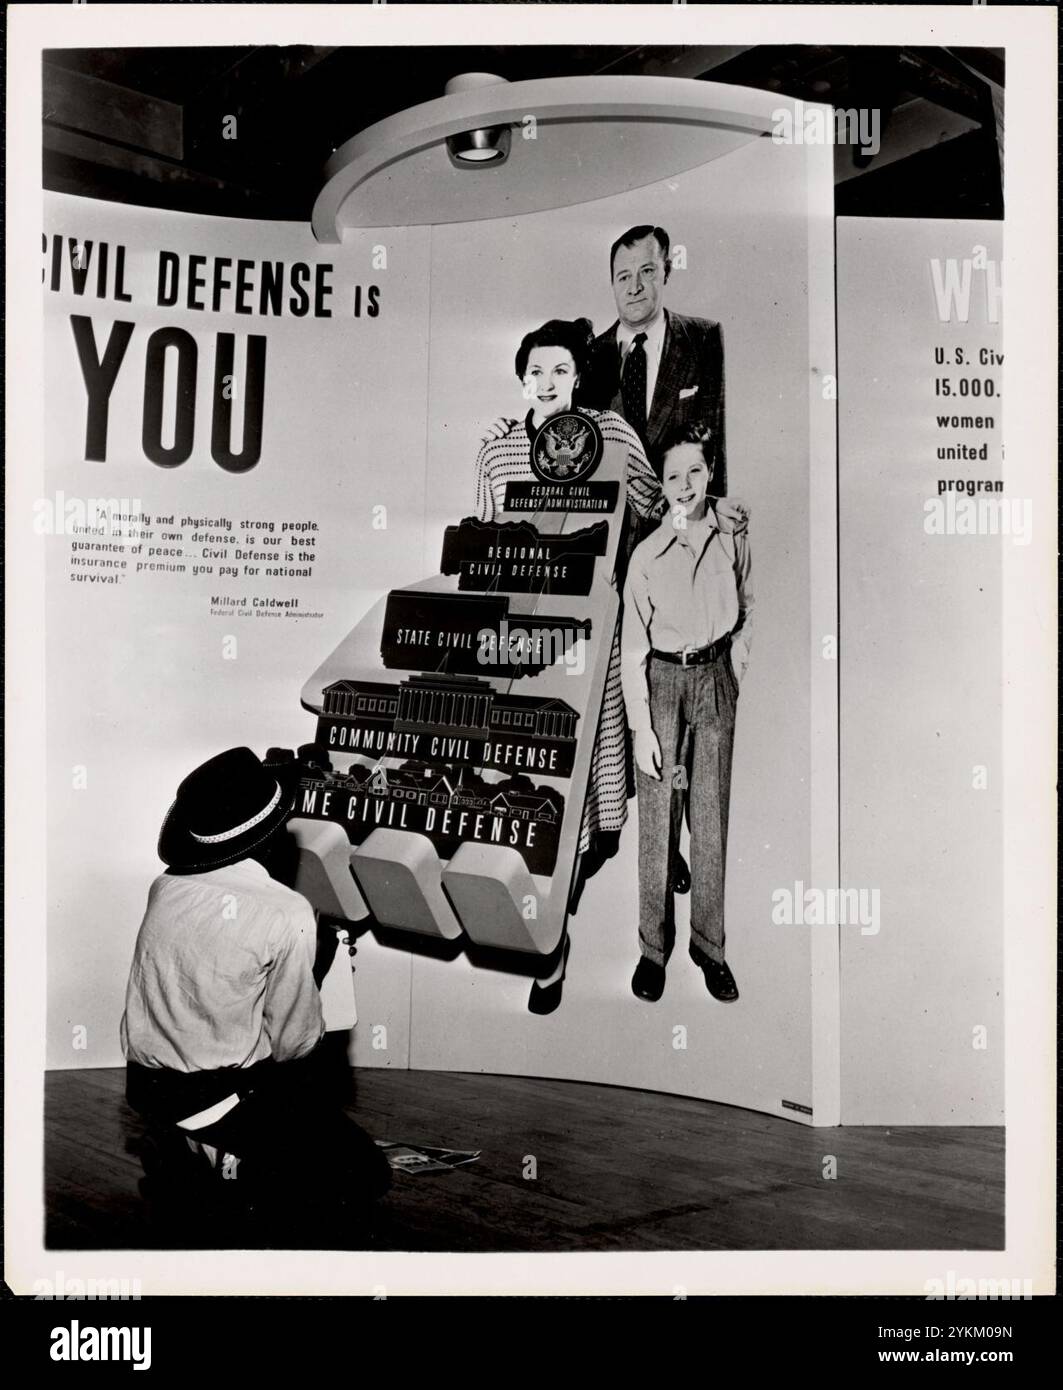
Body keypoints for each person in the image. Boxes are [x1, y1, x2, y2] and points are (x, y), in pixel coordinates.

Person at [121, 746, 391, 1241]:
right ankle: (228, 1169)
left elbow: (211, 973)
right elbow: (295, 1044)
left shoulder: (165, 887)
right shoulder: (286, 911)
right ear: (273, 828)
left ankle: (188, 1147)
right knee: (365, 1174)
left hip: (145, 1086)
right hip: (221, 1094)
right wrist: (315, 967)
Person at [473, 318, 664, 1013]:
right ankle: (545, 945)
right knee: (526, 786)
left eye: (559, 370)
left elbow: (655, 506)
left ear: (577, 375)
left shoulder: (611, 436)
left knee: (584, 780)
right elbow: (483, 540)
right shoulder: (496, 448)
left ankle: (558, 914)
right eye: (535, 372)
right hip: (521, 645)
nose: (547, 383)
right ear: (521, 378)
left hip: (597, 636)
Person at [621, 432, 754, 1005]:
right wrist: (643, 728)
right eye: (674, 477)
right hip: (662, 687)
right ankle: (654, 949)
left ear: (710, 473)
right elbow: (630, 651)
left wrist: (732, 678)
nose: (685, 487)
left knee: (710, 819)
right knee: (658, 823)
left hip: (714, 681)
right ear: (663, 482)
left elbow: (748, 607)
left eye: (695, 473)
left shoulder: (731, 538)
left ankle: (709, 946)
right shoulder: (646, 557)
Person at [587, 223, 726, 494]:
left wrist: (711, 528)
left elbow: (715, 449)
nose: (634, 287)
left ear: (667, 271)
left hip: (681, 519)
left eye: (647, 271)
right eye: (624, 276)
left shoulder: (703, 338)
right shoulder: (590, 355)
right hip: (608, 526)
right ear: (612, 283)